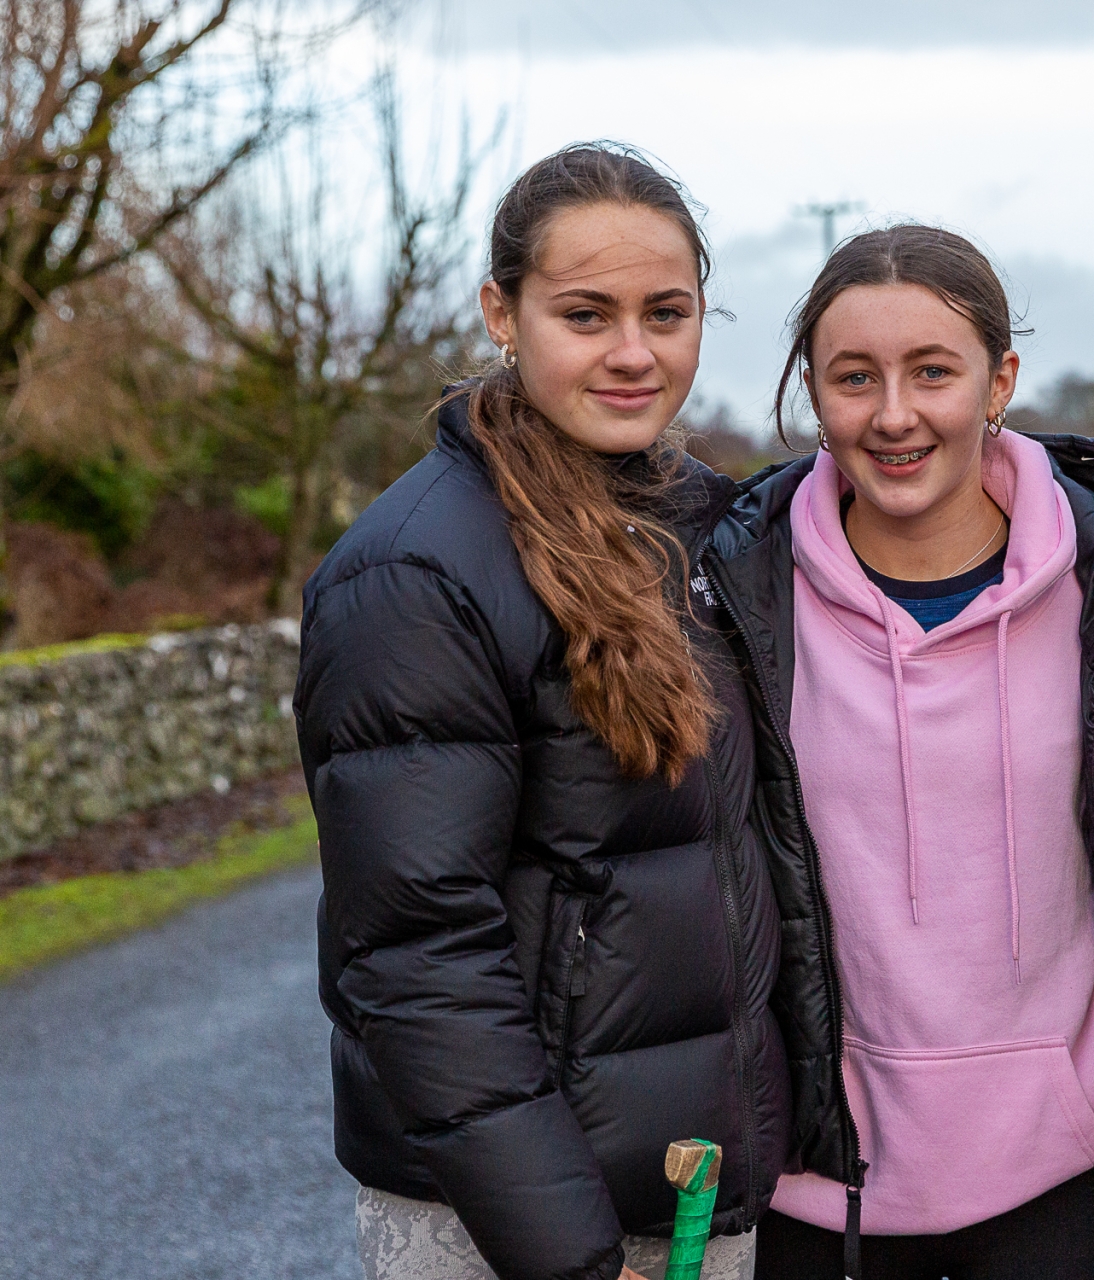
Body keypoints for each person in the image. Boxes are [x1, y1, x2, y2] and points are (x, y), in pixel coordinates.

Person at [295, 143, 788, 1280]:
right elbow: (419, 955)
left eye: (666, 312)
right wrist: (567, 1251)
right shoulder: (417, 572)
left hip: (692, 1192)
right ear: (501, 314)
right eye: (585, 312)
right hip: (509, 1226)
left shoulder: (703, 533)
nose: (632, 352)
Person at [703, 225, 1094, 1279]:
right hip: (819, 1180)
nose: (894, 415)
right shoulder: (735, 596)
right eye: (855, 377)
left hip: (1062, 1166)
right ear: (814, 390)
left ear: (1001, 381)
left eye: (933, 371)